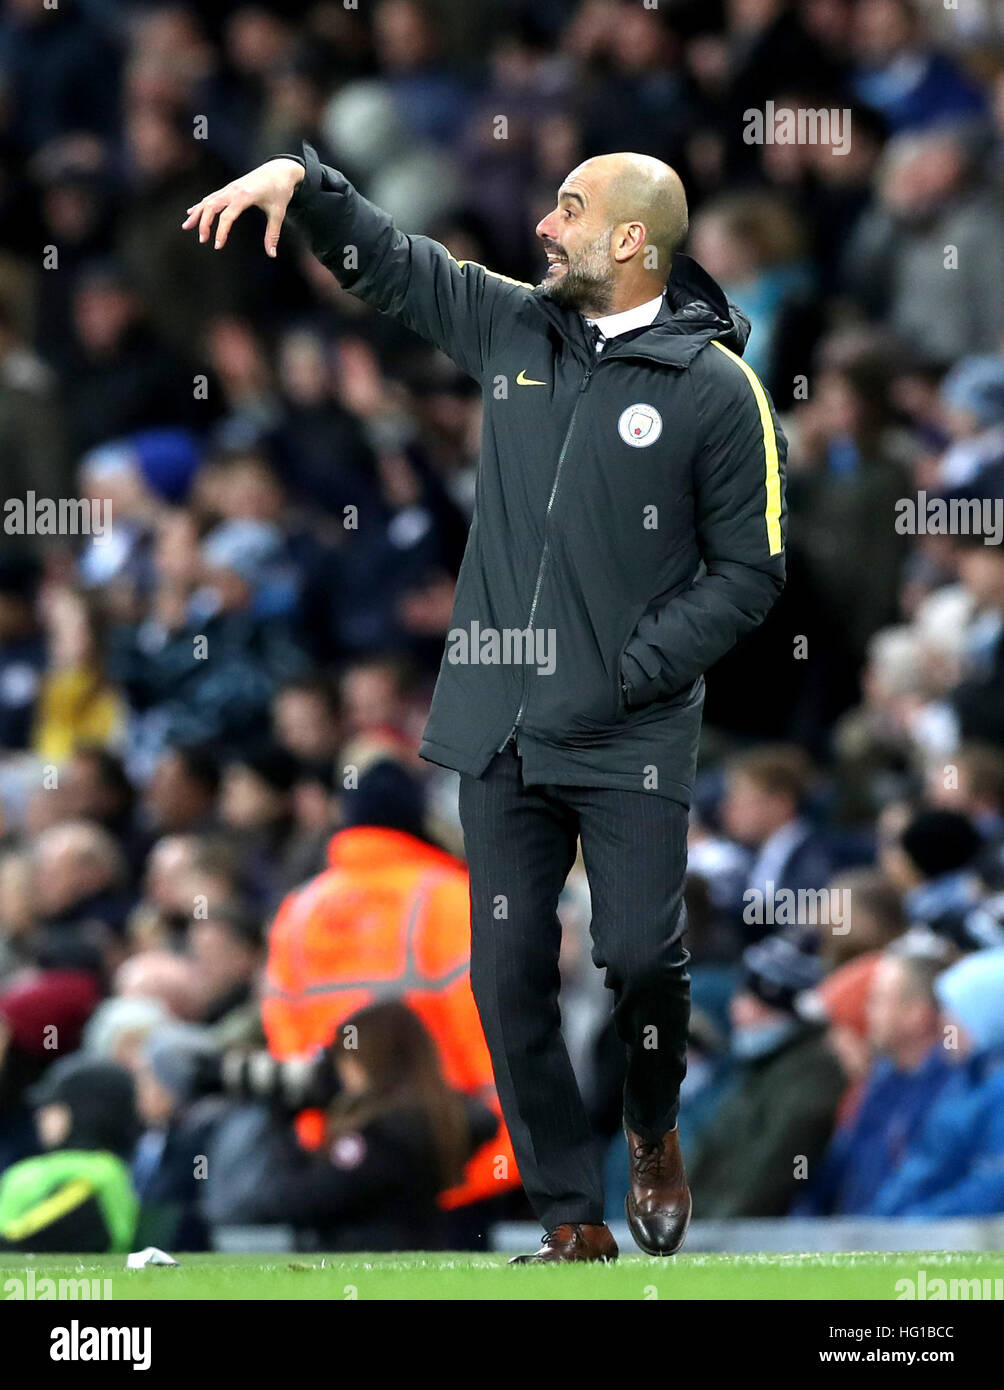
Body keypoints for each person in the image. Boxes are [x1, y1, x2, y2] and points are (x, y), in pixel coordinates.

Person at [184, 131, 788, 1263]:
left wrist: (632, 668)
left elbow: (748, 572)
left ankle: (649, 1127)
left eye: (566, 209)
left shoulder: (717, 390)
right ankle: (567, 1215)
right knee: (506, 976)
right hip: (497, 726)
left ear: (627, 237)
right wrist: (305, 188)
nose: (543, 227)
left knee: (641, 961)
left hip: (628, 734)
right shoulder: (516, 326)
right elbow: (397, 263)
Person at [247, 1001, 498, 1251]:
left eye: (347, 1059)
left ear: (372, 1060)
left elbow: (294, 1201)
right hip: (422, 1248)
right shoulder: (440, 1120)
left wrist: (279, 1117)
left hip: (363, 1258)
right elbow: (481, 1120)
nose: (342, 1073)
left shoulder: (381, 1138)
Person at [688, 933, 846, 1218]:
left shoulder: (810, 1079)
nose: (735, 1011)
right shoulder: (760, 1069)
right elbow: (708, 1158)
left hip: (744, 1242)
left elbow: (766, 1182)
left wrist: (701, 1243)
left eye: (749, 1000)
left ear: (775, 1007)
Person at [797, 951, 951, 1215]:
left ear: (917, 1014)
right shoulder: (880, 1082)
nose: (868, 1012)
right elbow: (833, 1172)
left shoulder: (950, 1092)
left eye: (877, 1001)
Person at [870, 947, 1004, 1217]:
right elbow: (919, 1170)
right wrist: (879, 1221)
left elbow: (988, 1189)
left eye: (955, 1013)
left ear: (987, 1016)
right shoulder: (965, 1081)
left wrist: (907, 1228)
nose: (943, 1025)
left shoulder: (989, 1091)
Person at [0, 1054, 139, 1252]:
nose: (42, 1114)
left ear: (86, 1111)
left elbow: (28, 1238)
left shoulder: (96, 1174)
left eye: (54, 1106)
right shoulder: (54, 1165)